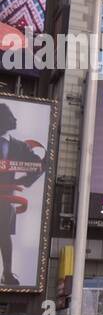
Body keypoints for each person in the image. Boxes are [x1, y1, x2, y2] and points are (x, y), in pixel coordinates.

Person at [0, 103, 47, 286]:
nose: (14, 119)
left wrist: (24, 181)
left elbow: (40, 165)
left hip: (6, 199)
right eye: (11, 116)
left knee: (4, 235)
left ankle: (7, 273)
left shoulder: (19, 147)